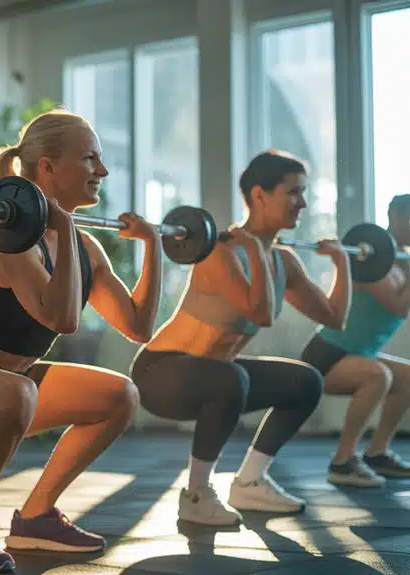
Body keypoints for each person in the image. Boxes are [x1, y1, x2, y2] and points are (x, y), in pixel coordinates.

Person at [0, 108, 162, 572]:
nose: (102, 171)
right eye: (91, 159)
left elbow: (139, 326)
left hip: (10, 383)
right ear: (49, 168)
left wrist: (154, 246)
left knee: (119, 395)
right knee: (18, 391)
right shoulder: (14, 242)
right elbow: (61, 319)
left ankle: (37, 517)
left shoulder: (85, 248)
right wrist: (57, 226)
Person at [130, 150, 350, 527]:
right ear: (260, 194)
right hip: (161, 373)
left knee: (305, 381)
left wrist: (342, 263)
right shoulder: (220, 251)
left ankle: (250, 480)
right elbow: (260, 313)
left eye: (304, 192)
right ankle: (196, 494)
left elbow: (333, 319)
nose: (303, 202)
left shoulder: (283, 261)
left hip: (217, 376)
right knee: (232, 378)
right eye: (294, 192)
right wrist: (252, 247)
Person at [299, 194, 410, 487]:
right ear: (395, 218)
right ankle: (343, 461)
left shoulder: (401, 262)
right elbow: (399, 305)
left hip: (358, 353)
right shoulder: (370, 259)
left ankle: (378, 453)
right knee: (379, 376)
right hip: (327, 355)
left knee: (407, 376)